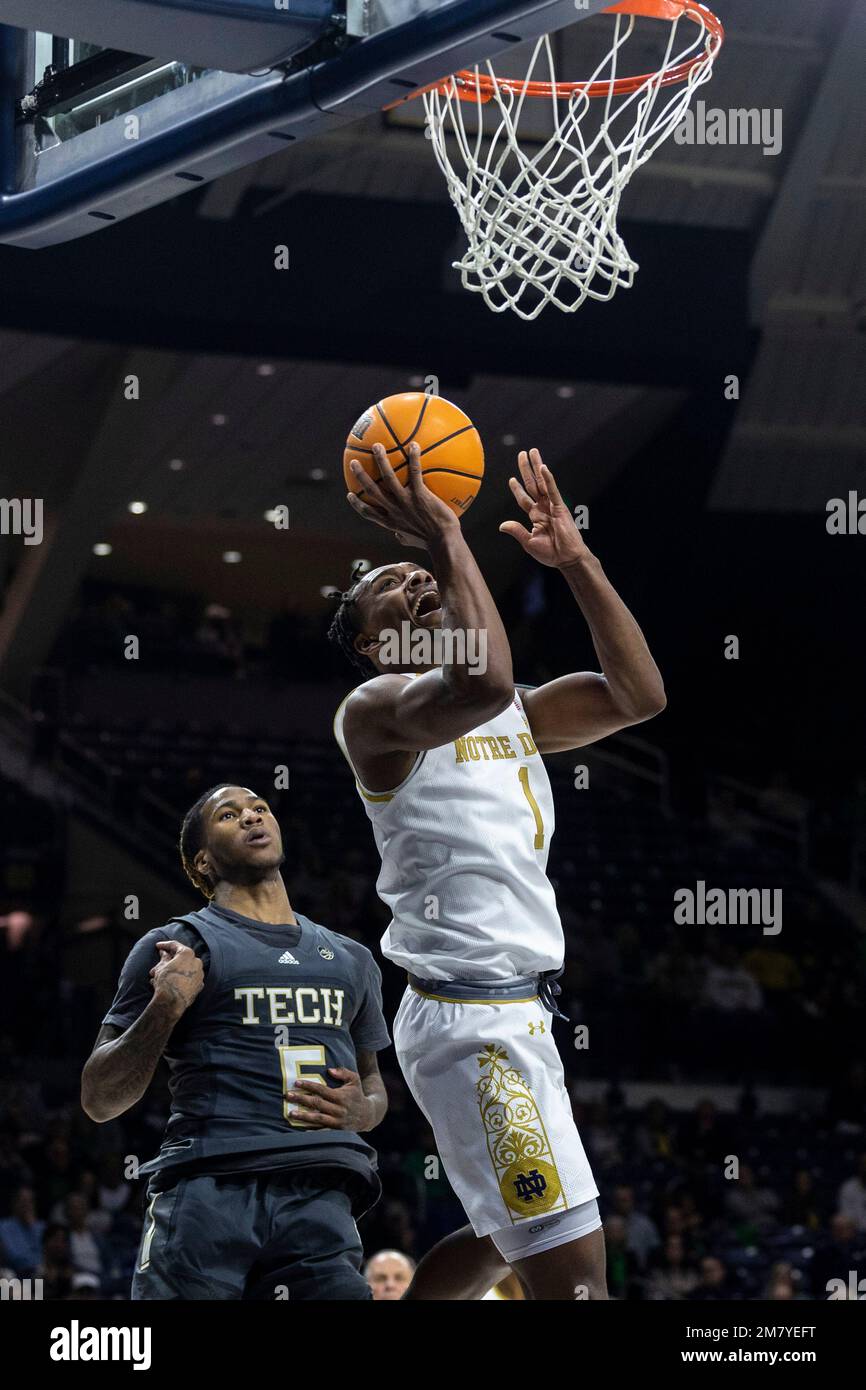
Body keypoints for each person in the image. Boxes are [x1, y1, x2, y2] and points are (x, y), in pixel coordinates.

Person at [329, 442, 666, 1299]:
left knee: (495, 1241)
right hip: (470, 1021)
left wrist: (577, 561)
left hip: (520, 1010)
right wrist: (444, 528)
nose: (414, 584)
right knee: (576, 1278)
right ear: (373, 647)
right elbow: (478, 682)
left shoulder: (514, 707)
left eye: (416, 574)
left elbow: (639, 696)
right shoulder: (375, 714)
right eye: (389, 594)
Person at [80, 785, 391, 1300]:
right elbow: (99, 1098)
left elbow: (375, 1085)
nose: (251, 818)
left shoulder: (352, 958)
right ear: (202, 862)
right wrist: (165, 1008)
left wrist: (364, 1111)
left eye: (260, 809)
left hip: (319, 1196)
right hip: (208, 1191)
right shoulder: (176, 945)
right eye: (230, 815)